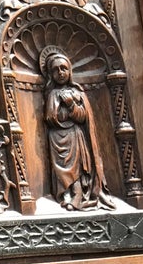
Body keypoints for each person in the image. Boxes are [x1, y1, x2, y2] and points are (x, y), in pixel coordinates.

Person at [41, 47, 115, 212]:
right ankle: (66, 195)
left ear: (69, 71)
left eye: (63, 68)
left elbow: (82, 116)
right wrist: (62, 111)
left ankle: (79, 195)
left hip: (76, 136)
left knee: (79, 169)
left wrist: (71, 105)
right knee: (63, 169)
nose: (60, 72)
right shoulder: (52, 94)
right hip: (58, 138)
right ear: (50, 75)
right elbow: (50, 118)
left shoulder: (77, 92)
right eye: (55, 70)